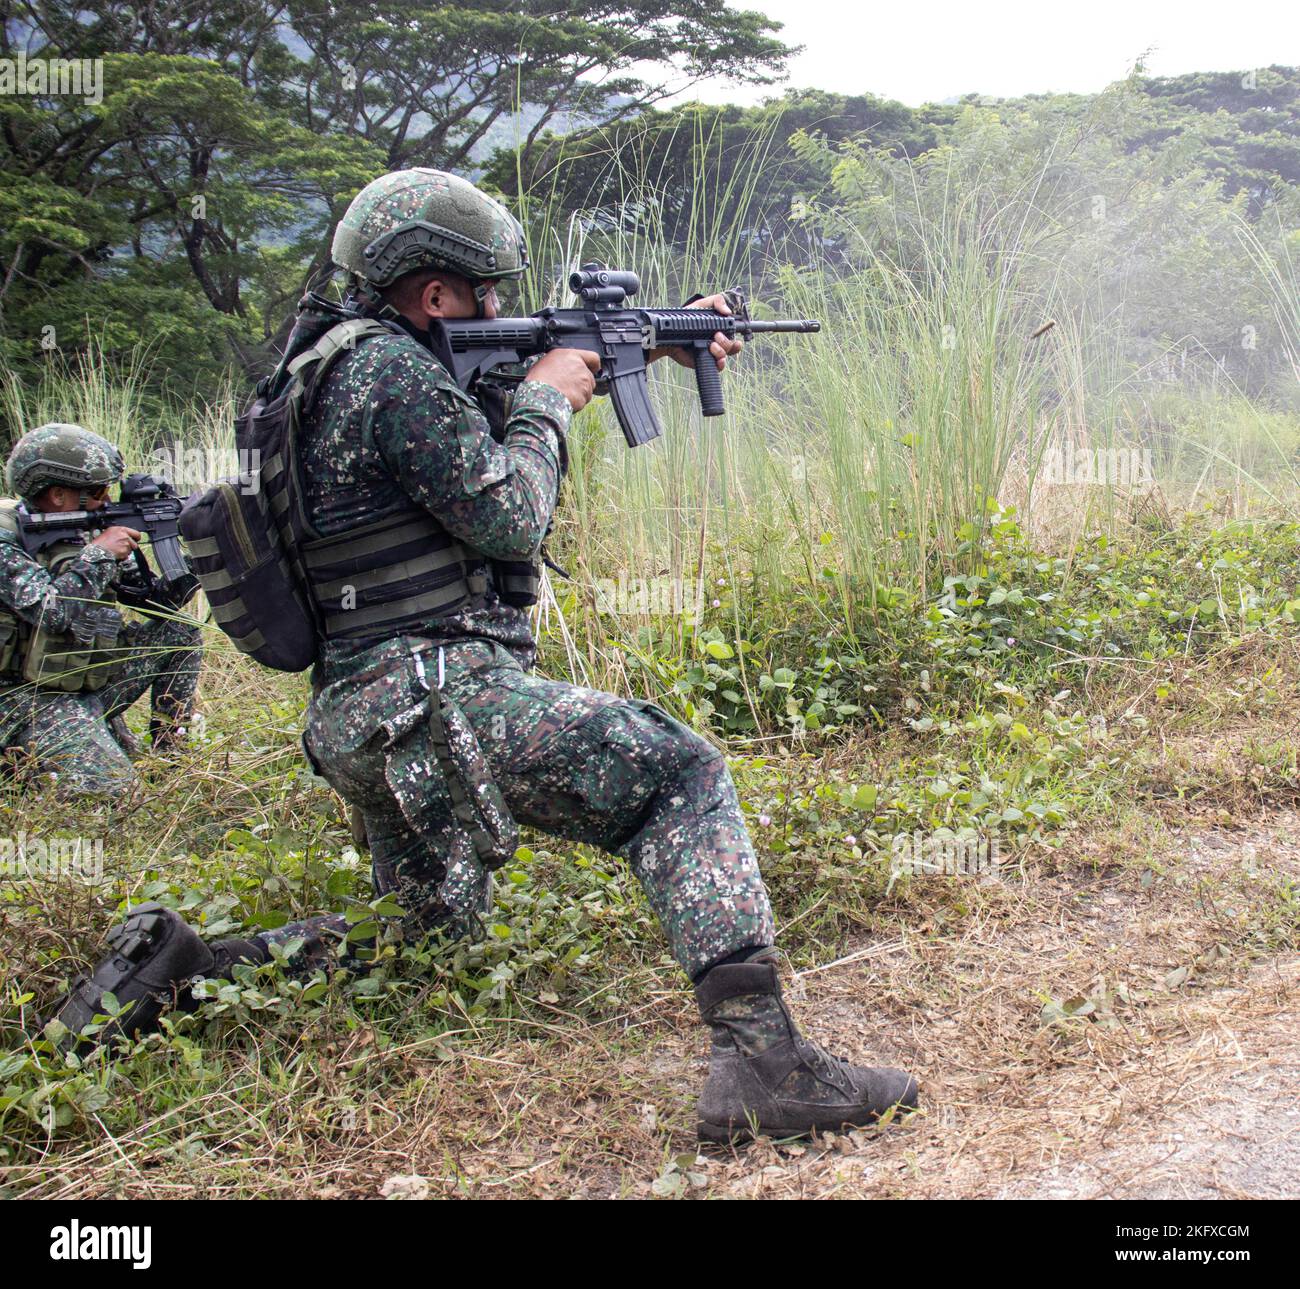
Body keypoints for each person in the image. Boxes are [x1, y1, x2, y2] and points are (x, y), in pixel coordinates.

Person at [57, 171, 918, 1142]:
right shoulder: (391, 373)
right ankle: (768, 1061)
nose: (499, 309)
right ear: (434, 294)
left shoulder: (326, 371)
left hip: (362, 716)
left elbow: (462, 427)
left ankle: (193, 972)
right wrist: (550, 400)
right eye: (485, 292)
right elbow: (508, 513)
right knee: (677, 775)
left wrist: (651, 340)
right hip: (438, 696)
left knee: (418, 940)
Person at [0, 423, 202, 798]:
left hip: (79, 683)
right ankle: (18, 767)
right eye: (96, 491)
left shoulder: (91, 527)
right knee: (119, 794)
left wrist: (202, 551)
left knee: (180, 633)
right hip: (17, 700)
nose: (107, 498)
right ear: (58, 494)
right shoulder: (6, 539)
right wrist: (100, 555)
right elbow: (52, 612)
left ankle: (172, 756)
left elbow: (157, 605)